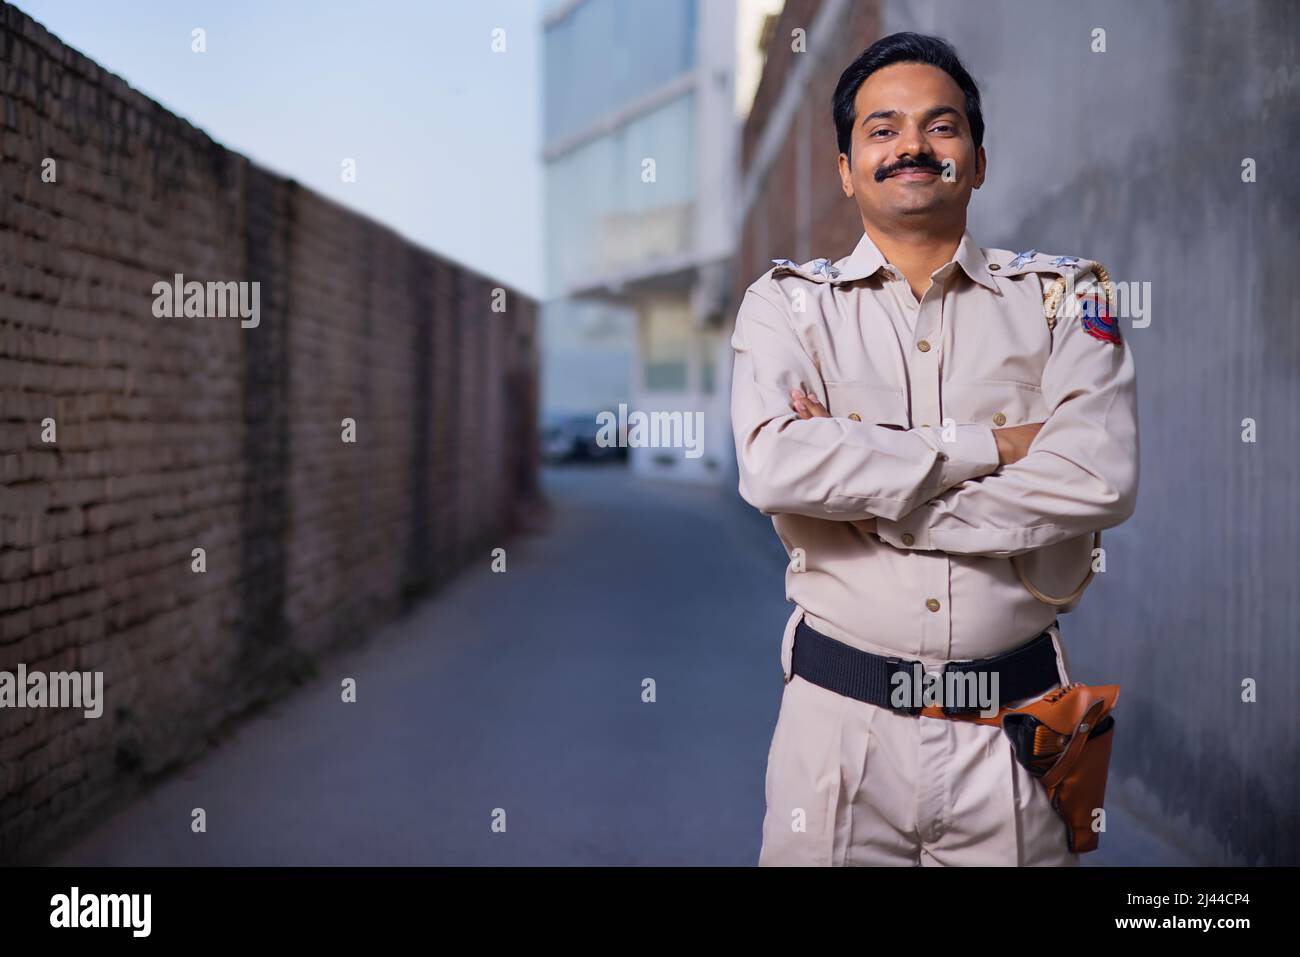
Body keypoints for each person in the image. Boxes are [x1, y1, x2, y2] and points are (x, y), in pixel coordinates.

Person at [729, 31, 1139, 866]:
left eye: (939, 126)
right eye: (881, 129)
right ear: (846, 169)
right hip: (838, 737)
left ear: (978, 161)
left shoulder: (1067, 298)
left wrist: (879, 498)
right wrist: (994, 445)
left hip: (1013, 733)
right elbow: (775, 465)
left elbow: (1099, 480)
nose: (911, 145)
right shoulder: (786, 308)